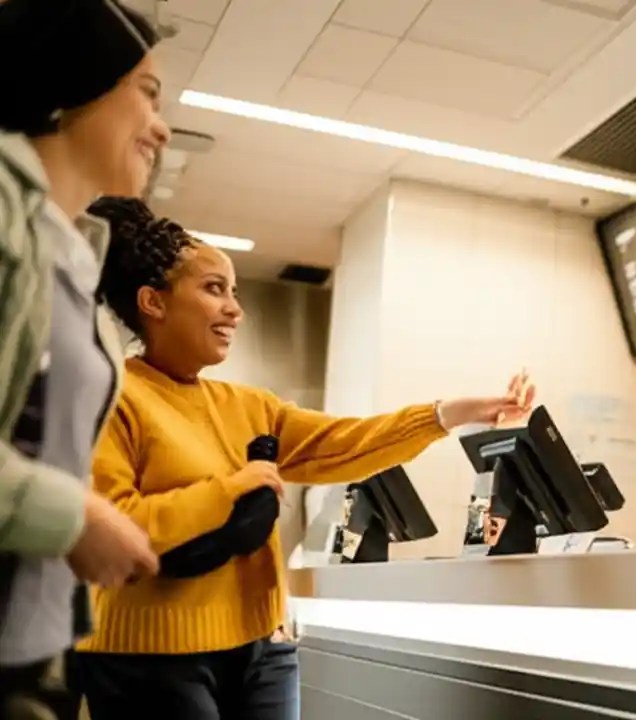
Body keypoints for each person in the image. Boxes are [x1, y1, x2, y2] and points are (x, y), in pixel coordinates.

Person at [73, 196, 538, 719]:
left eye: (234, 292)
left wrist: (449, 413)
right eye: (213, 289)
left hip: (261, 650)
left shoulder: (247, 405)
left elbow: (350, 443)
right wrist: (231, 489)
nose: (234, 310)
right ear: (153, 302)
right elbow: (108, 526)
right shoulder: (112, 397)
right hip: (149, 659)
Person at [0, 1, 170, 717]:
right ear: (75, 84)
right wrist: (70, 518)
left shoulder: (72, 249)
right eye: (147, 92)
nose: (160, 126)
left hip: (33, 647)